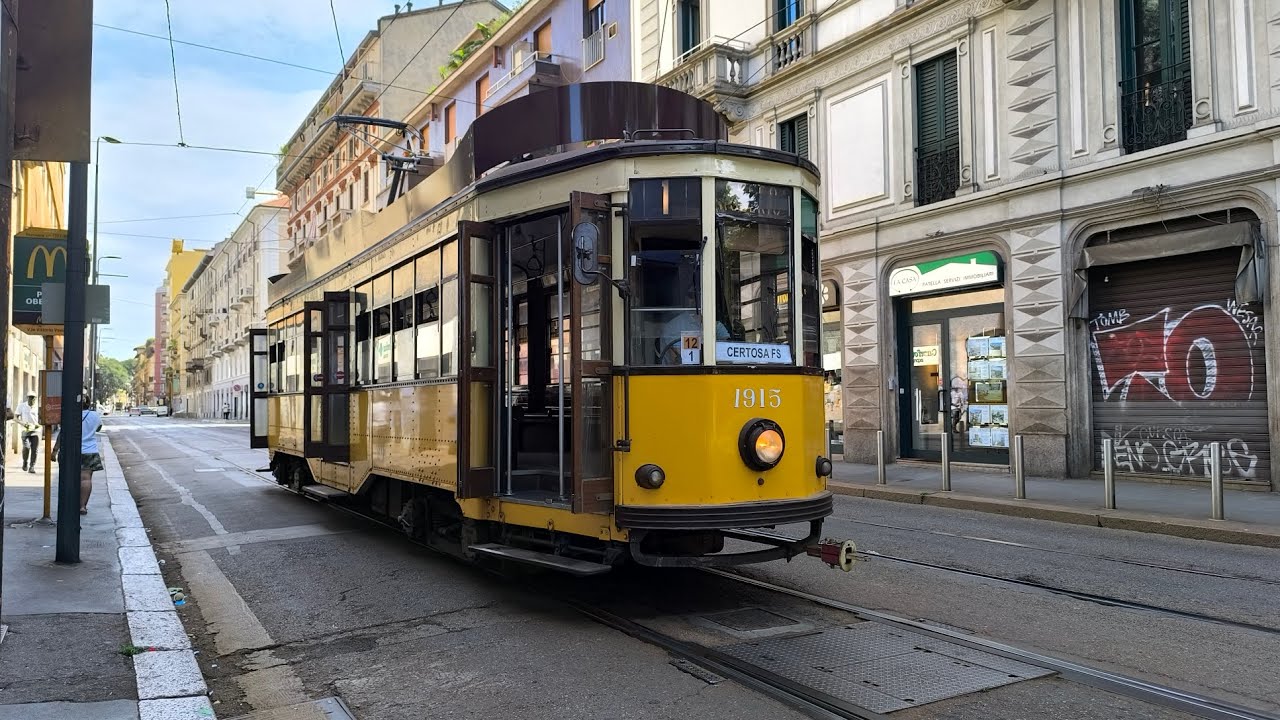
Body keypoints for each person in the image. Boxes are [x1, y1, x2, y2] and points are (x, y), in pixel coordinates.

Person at [78, 403, 103, 514]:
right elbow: (98, 428)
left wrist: (55, 450)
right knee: (86, 479)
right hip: (90, 451)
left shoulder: (71, 413)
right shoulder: (94, 415)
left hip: (73, 451)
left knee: (71, 478)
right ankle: (82, 506)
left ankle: (71, 503)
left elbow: (62, 432)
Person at [16, 393, 40, 473]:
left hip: (35, 430)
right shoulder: (22, 406)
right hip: (25, 430)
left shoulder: (37, 407)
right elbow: (15, 418)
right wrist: (23, 423)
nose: (32, 399)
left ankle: (32, 466)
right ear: (27, 398)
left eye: (33, 398)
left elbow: (41, 417)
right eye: (30, 397)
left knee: (35, 450)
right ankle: (25, 462)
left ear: (35, 399)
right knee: (26, 447)